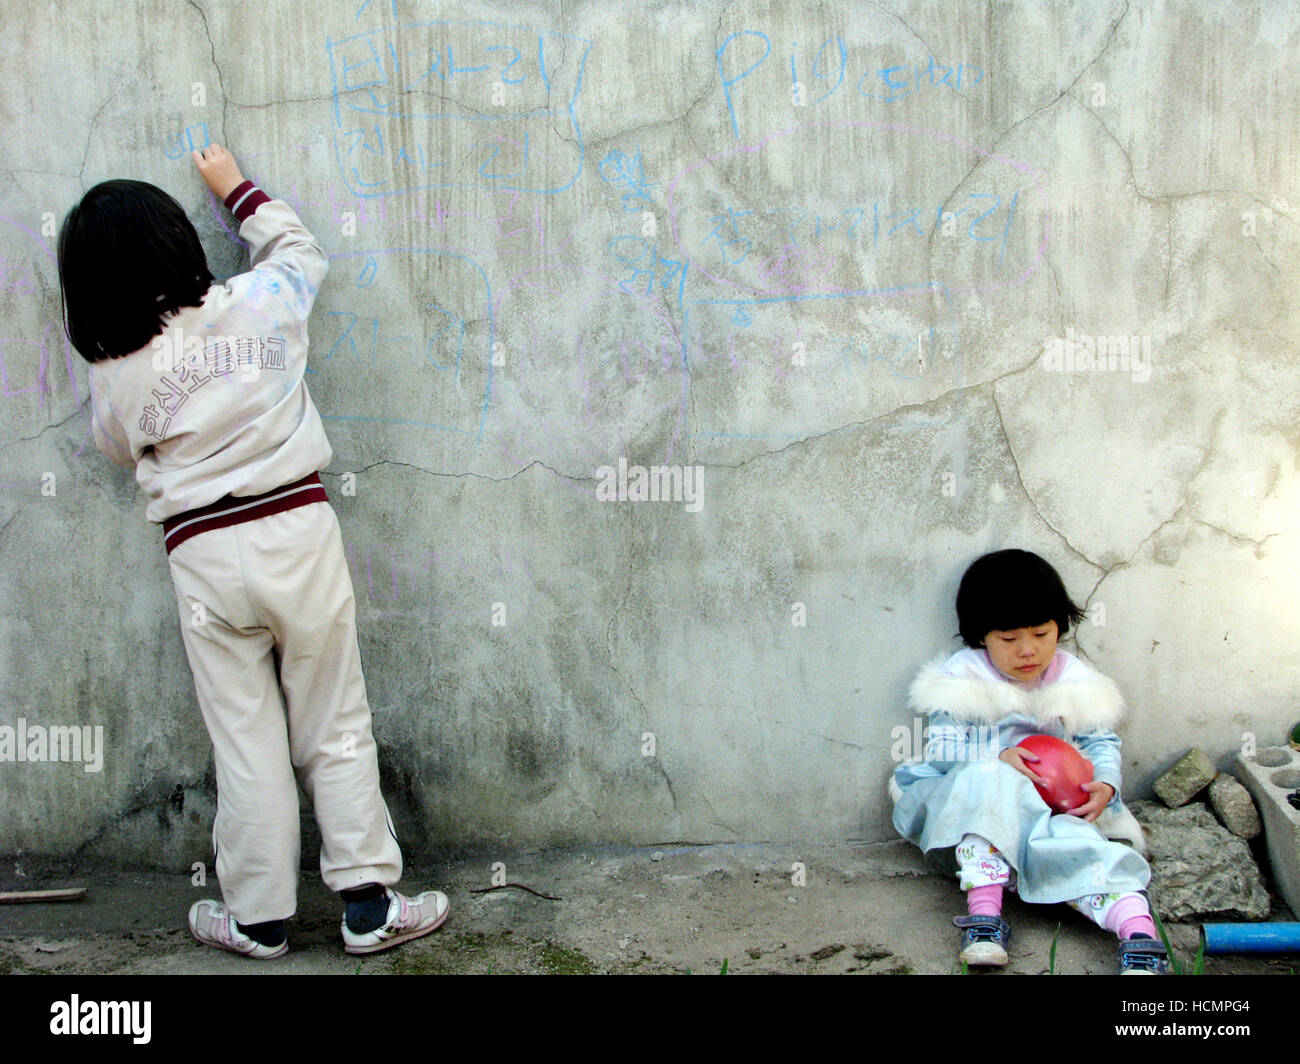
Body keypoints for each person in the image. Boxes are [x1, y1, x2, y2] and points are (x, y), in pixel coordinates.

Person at [58, 143, 448, 958]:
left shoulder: (115, 370)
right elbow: (302, 249)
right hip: (297, 529)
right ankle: (369, 906)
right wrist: (235, 189)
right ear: (179, 242)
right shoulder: (259, 302)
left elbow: (116, 449)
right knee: (335, 717)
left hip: (201, 553)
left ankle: (259, 918)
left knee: (244, 739)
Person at [890, 549, 1166, 974]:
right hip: (980, 807)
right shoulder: (961, 680)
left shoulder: (1075, 682)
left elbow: (1100, 743)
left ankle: (1139, 936)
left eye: (1041, 634)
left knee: (1083, 850)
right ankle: (985, 916)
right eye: (1009, 638)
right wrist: (997, 757)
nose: (1028, 651)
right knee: (987, 780)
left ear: (1060, 627)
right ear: (982, 636)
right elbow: (943, 752)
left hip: (1050, 809)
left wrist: (1105, 785)